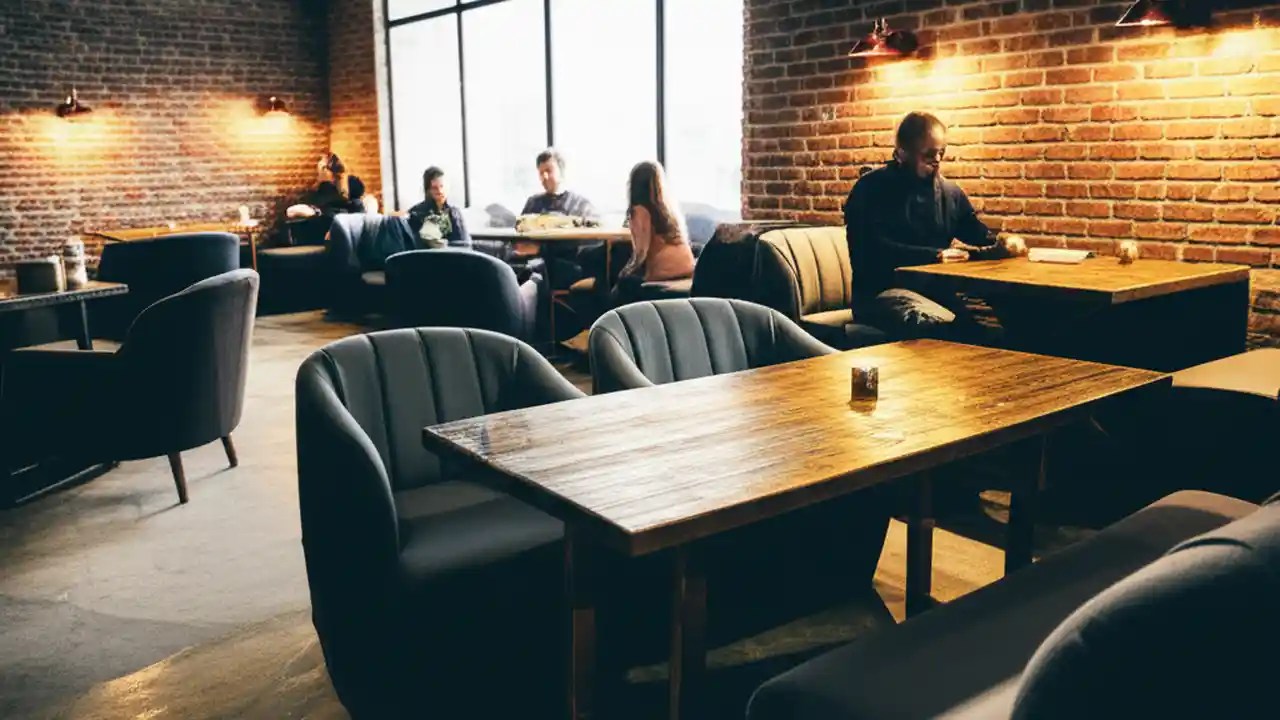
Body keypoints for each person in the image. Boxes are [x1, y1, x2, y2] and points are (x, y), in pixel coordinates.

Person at [844, 111, 1007, 340]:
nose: (938, 159)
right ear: (902, 153)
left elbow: (976, 232)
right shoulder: (869, 189)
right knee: (938, 328)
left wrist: (1004, 243)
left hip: (934, 293)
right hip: (881, 294)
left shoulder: (950, 193)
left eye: (942, 152)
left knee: (991, 333)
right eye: (929, 154)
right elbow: (870, 253)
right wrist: (936, 256)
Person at [612, 161, 695, 306]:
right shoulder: (670, 209)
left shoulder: (640, 211)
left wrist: (626, 272)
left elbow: (641, 251)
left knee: (622, 286)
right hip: (687, 269)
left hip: (662, 276)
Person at [406, 166, 471, 248]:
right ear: (428, 190)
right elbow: (412, 246)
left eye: (442, 186)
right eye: (434, 188)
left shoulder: (454, 213)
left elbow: (465, 244)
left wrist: (446, 246)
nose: (440, 191)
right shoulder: (416, 214)